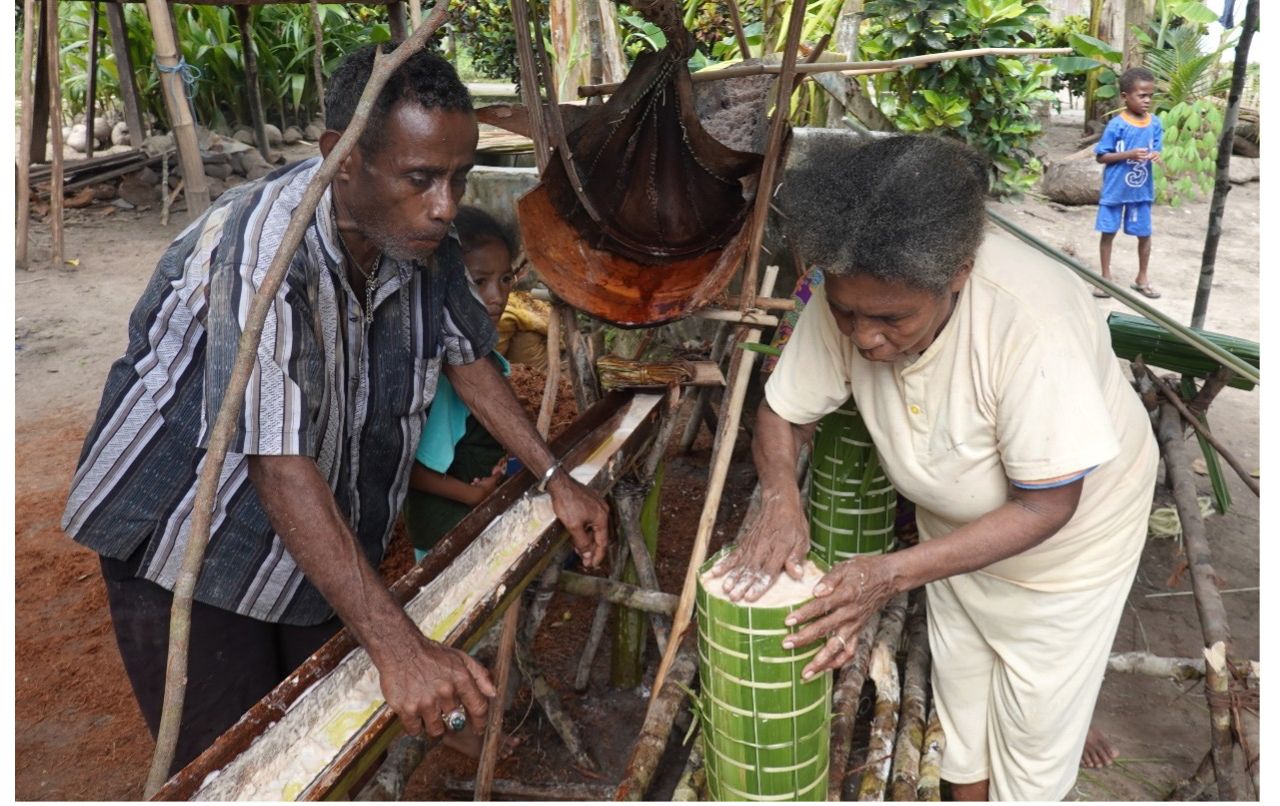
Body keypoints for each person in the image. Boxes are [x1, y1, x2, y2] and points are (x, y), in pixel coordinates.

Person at [60, 43, 608, 774]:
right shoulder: (260, 256)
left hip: (307, 537)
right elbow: (279, 465)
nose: (447, 206)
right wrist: (399, 647)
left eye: (457, 177)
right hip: (184, 542)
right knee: (242, 767)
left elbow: (466, 356)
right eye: (422, 179)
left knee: (320, 742)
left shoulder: (418, 240)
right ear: (341, 158)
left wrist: (552, 475)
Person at [709, 134, 1158, 801]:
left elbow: (1048, 506)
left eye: (890, 319)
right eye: (846, 312)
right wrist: (780, 493)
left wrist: (887, 573)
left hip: (1067, 559)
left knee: (1032, 748)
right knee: (960, 716)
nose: (863, 337)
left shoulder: (1028, 321)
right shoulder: (856, 281)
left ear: (958, 275)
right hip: (954, 540)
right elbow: (783, 414)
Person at [405, 206, 519, 561]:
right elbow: (411, 469)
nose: (497, 296)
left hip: (470, 521)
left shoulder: (481, 359)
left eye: (505, 279)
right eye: (479, 281)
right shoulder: (447, 376)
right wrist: (473, 496)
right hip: (449, 532)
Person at [1094, 66, 1163, 299]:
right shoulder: (1117, 125)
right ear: (1125, 97)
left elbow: (1156, 148)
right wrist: (1128, 154)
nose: (1147, 100)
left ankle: (1142, 277)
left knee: (1144, 234)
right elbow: (1101, 156)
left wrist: (1155, 155)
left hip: (1140, 191)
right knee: (1108, 233)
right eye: (1141, 95)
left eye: (1150, 96)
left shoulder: (1155, 123)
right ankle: (1105, 278)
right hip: (1115, 191)